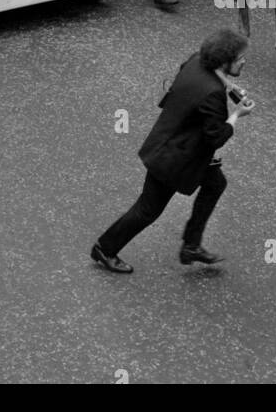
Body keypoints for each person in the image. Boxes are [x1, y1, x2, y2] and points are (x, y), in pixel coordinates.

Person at [92, 28, 252, 273]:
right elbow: (216, 137)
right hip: (175, 158)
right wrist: (236, 115)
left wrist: (230, 87)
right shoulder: (213, 95)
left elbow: (197, 78)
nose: (244, 61)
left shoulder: (196, 61)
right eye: (240, 58)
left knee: (215, 184)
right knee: (147, 210)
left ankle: (191, 245)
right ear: (224, 60)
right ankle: (105, 248)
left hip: (175, 142)